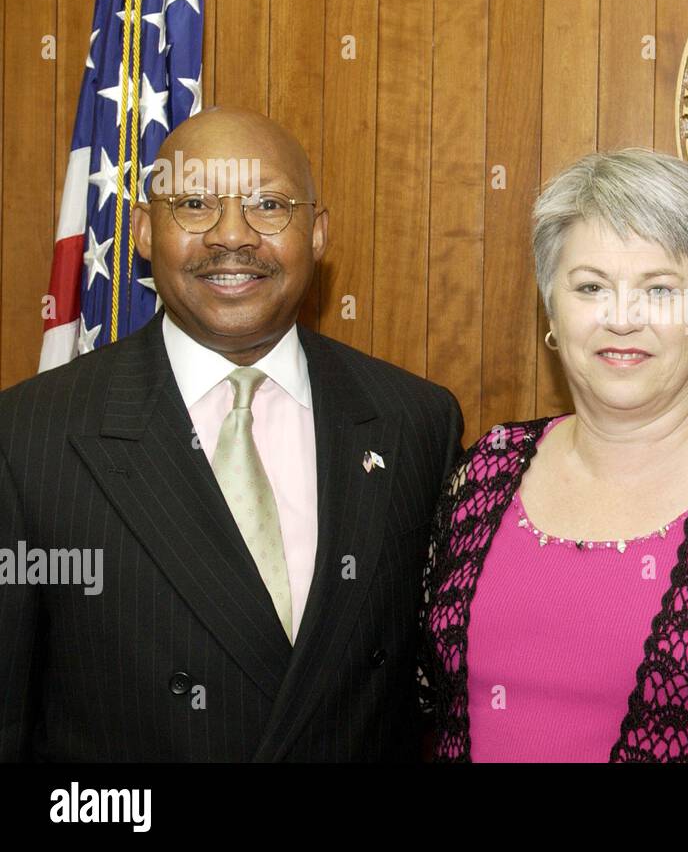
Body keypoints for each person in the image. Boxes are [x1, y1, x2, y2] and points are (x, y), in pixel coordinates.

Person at [0, 106, 463, 761]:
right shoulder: (27, 438)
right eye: (194, 203)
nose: (232, 236)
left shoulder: (417, 420)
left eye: (269, 205)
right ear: (142, 231)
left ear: (318, 232)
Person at [417, 148, 688, 762]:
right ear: (552, 308)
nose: (622, 318)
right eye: (591, 286)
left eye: (660, 289)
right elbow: (421, 703)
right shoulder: (485, 470)